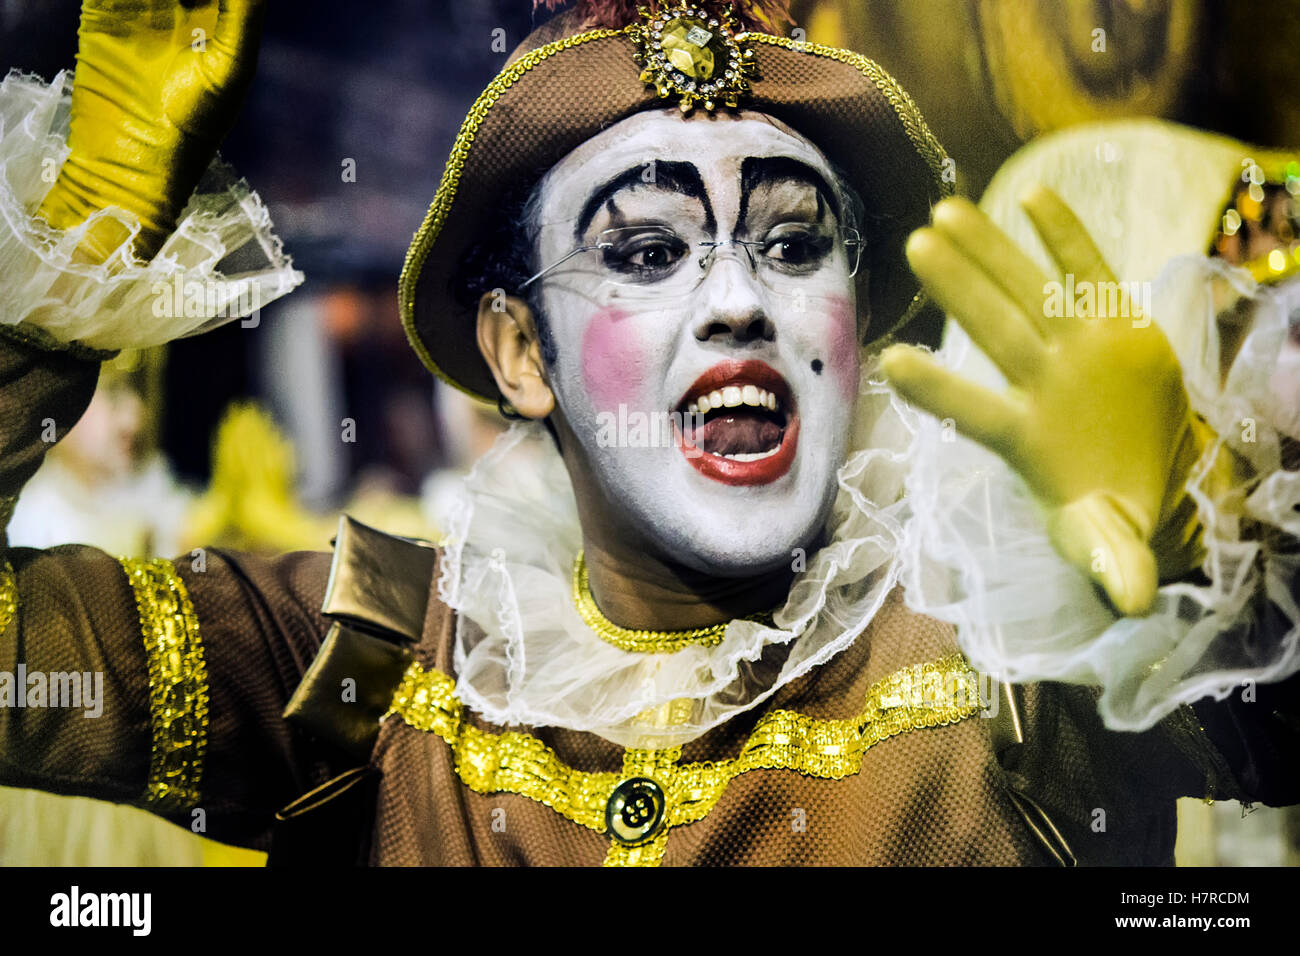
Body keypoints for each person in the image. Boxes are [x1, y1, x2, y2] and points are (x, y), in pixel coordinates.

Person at [0, 0, 1295, 867]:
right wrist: (74, 255)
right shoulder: (376, 666)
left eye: (793, 242)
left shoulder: (1009, 650)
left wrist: (1198, 574)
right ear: (520, 352)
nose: (737, 298)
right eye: (644, 250)